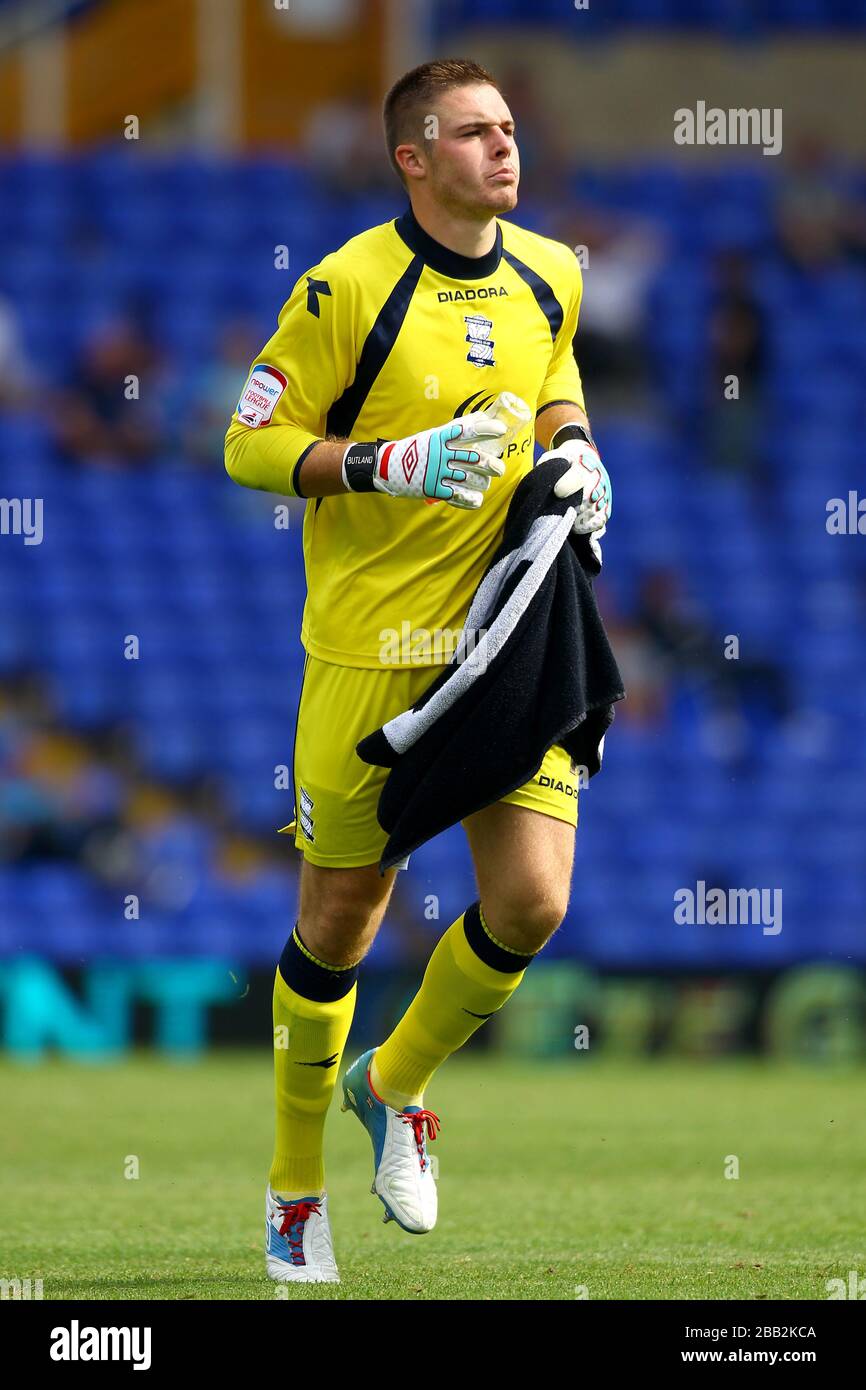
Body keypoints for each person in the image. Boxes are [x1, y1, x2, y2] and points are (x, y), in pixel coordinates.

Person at [224, 58, 612, 1284]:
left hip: (507, 629)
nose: (504, 148)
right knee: (341, 919)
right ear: (413, 157)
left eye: (508, 127)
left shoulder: (553, 269)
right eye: (473, 133)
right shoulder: (347, 284)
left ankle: (393, 1085)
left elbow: (552, 381)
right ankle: (293, 1193)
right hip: (371, 654)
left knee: (533, 900)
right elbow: (248, 442)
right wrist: (382, 464)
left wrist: (580, 454)